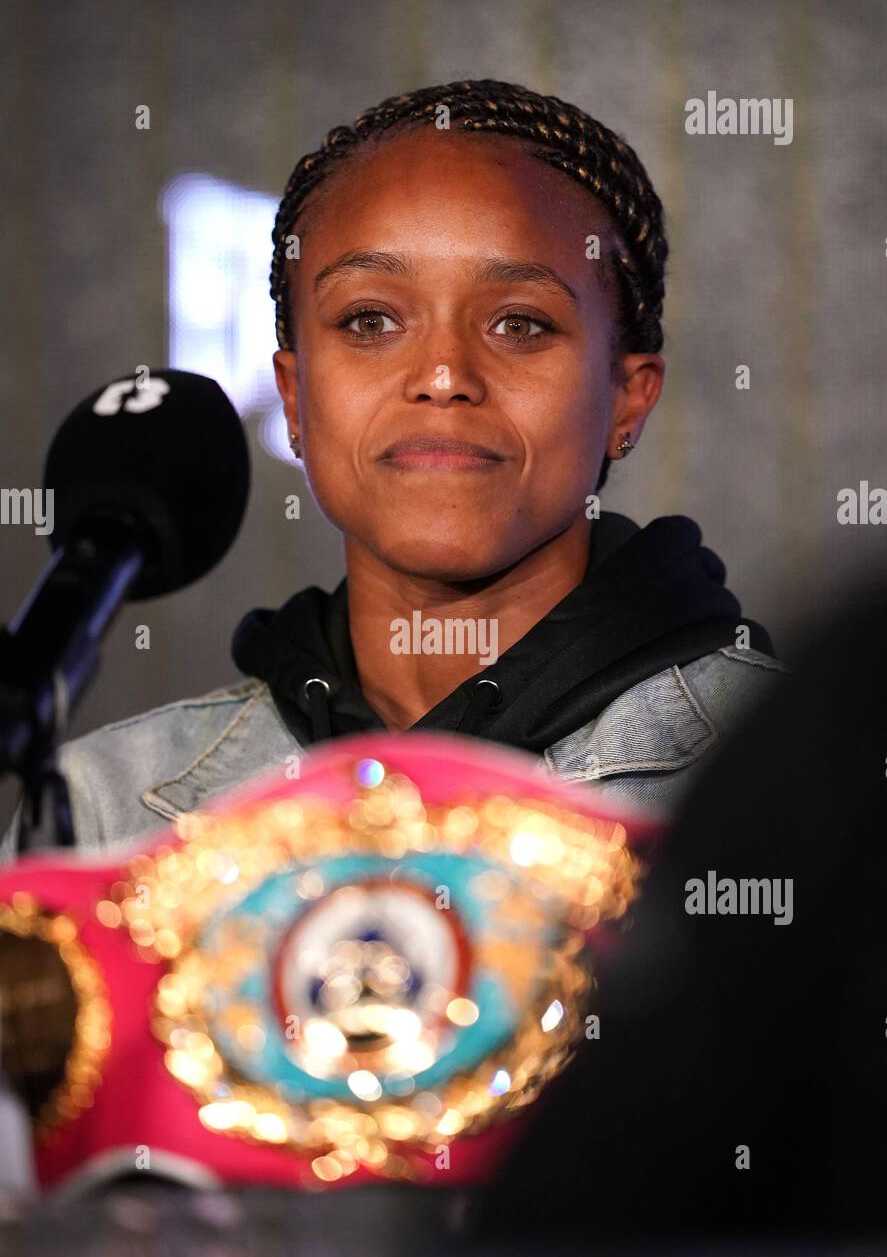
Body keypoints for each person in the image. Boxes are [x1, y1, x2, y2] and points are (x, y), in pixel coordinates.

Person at [1, 79, 784, 862]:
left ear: (627, 397)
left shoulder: (807, 775)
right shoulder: (101, 811)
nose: (443, 373)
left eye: (519, 323)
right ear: (294, 397)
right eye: (369, 320)